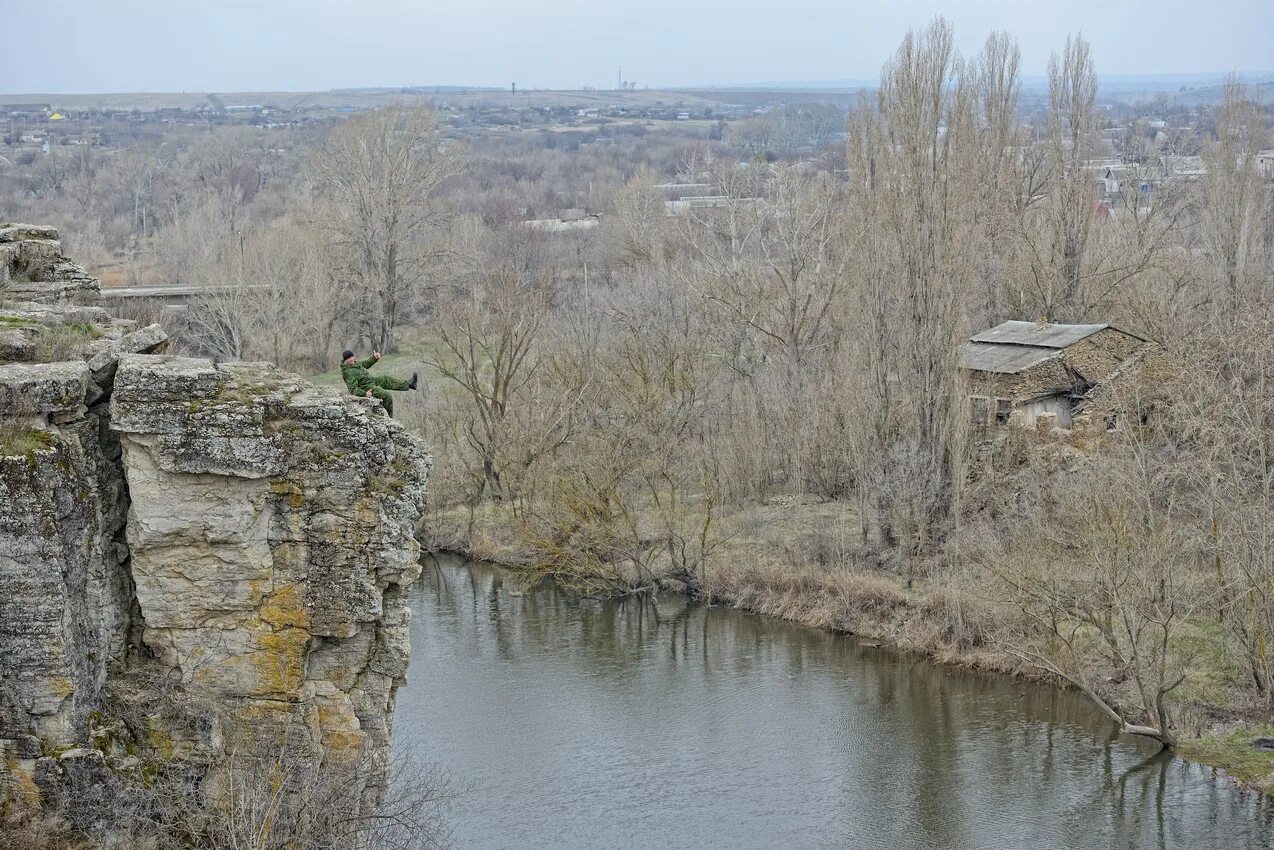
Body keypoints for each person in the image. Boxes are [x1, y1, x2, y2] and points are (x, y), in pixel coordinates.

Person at [340, 349, 418, 417]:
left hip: (372, 381)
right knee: (387, 396)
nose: (351, 359)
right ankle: (389, 420)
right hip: (367, 388)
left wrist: (374, 358)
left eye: (352, 357)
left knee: (385, 379)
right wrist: (365, 394)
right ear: (345, 360)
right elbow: (353, 389)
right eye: (349, 358)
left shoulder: (355, 364)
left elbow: (365, 364)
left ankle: (409, 385)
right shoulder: (348, 372)